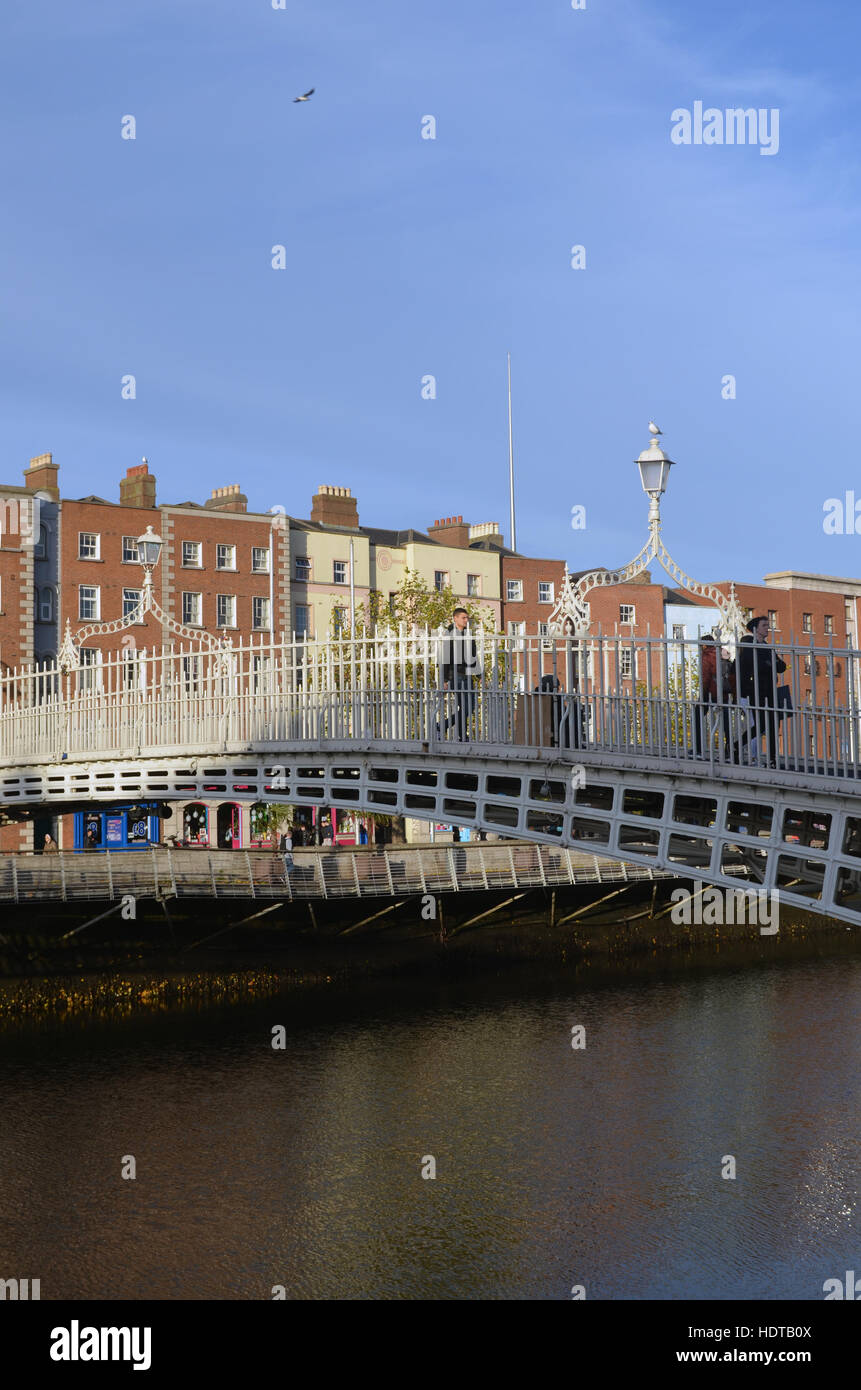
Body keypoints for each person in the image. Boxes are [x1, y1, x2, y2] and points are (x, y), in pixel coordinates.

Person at [735, 615, 786, 766]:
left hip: (770, 691)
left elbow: (782, 666)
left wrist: (770, 663)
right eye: (764, 625)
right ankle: (737, 745)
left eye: (768, 625)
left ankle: (772, 759)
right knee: (763, 725)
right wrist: (771, 663)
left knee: (772, 725)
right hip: (757, 691)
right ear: (756, 628)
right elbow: (759, 666)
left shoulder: (766, 646)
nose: (767, 628)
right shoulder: (751, 646)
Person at [439, 608, 479, 741]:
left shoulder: (468, 634)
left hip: (467, 674)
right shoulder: (449, 634)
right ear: (455, 618)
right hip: (455, 674)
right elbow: (444, 657)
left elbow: (474, 654)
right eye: (464, 618)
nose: (466, 620)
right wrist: (444, 679)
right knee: (466, 707)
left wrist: (478, 674)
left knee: (470, 706)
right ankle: (460, 734)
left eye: (467, 618)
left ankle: (446, 727)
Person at [695, 627, 735, 757]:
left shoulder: (706, 655)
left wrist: (703, 695)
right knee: (726, 723)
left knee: (697, 717)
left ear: (704, 645)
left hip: (711, 692)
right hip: (725, 692)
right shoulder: (724, 654)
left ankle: (698, 749)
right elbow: (732, 675)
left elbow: (705, 677)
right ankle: (730, 749)